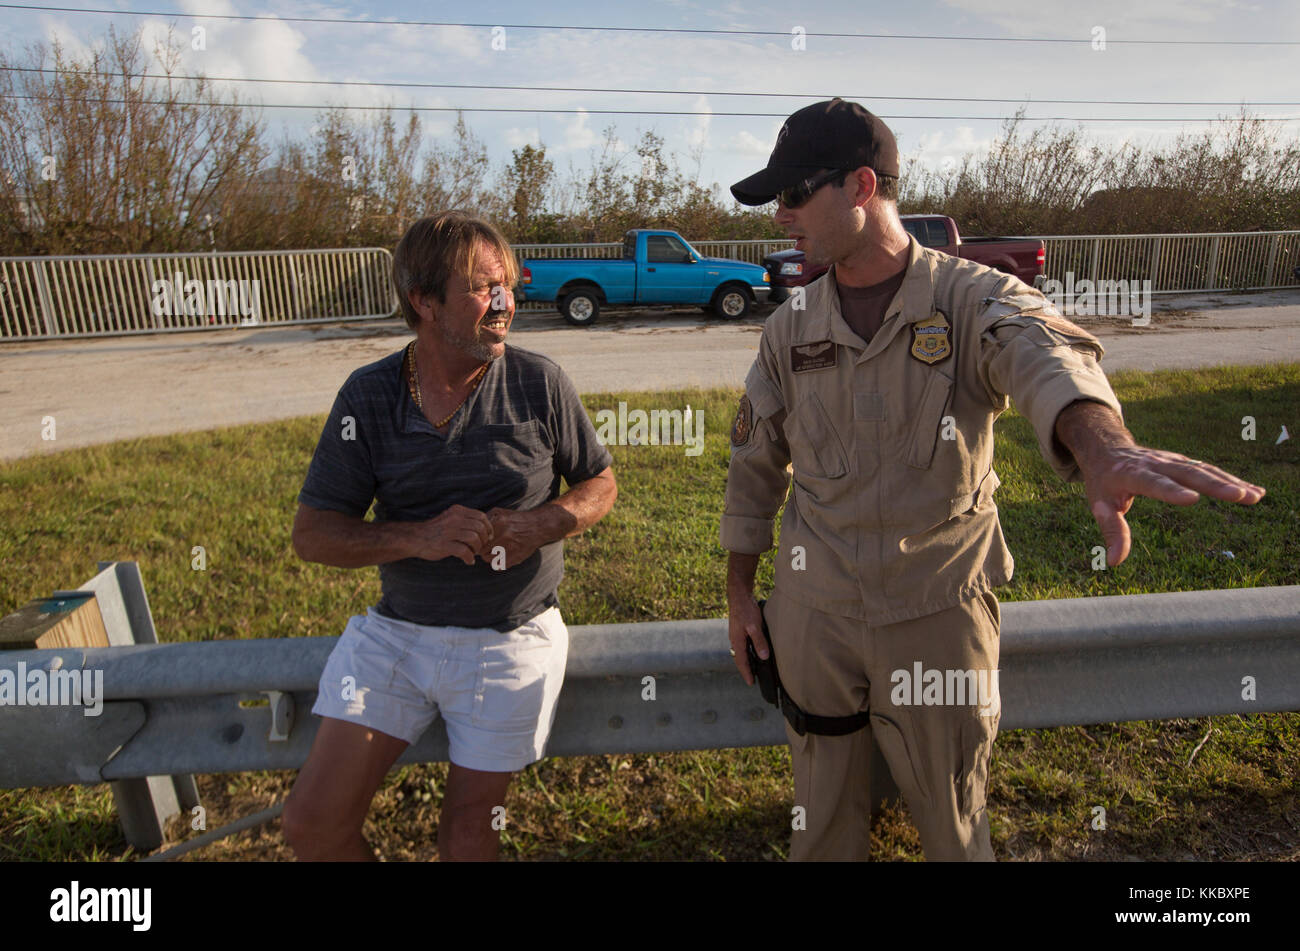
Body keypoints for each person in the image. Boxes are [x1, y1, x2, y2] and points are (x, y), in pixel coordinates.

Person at [720, 99, 1265, 861]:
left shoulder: (971, 298)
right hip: (816, 617)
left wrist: (1100, 442)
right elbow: (754, 466)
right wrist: (742, 591)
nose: (780, 216)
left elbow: (1044, 350)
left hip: (937, 611)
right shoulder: (789, 327)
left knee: (953, 823)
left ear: (861, 186)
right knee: (821, 827)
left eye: (793, 194)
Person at [282, 211, 617, 861]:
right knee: (312, 824)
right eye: (481, 286)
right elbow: (313, 535)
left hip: (511, 635)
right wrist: (418, 535)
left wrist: (538, 524)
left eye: (509, 284)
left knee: (469, 837)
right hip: (398, 634)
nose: (504, 302)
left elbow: (601, 482)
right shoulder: (370, 396)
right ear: (424, 301)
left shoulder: (538, 382)